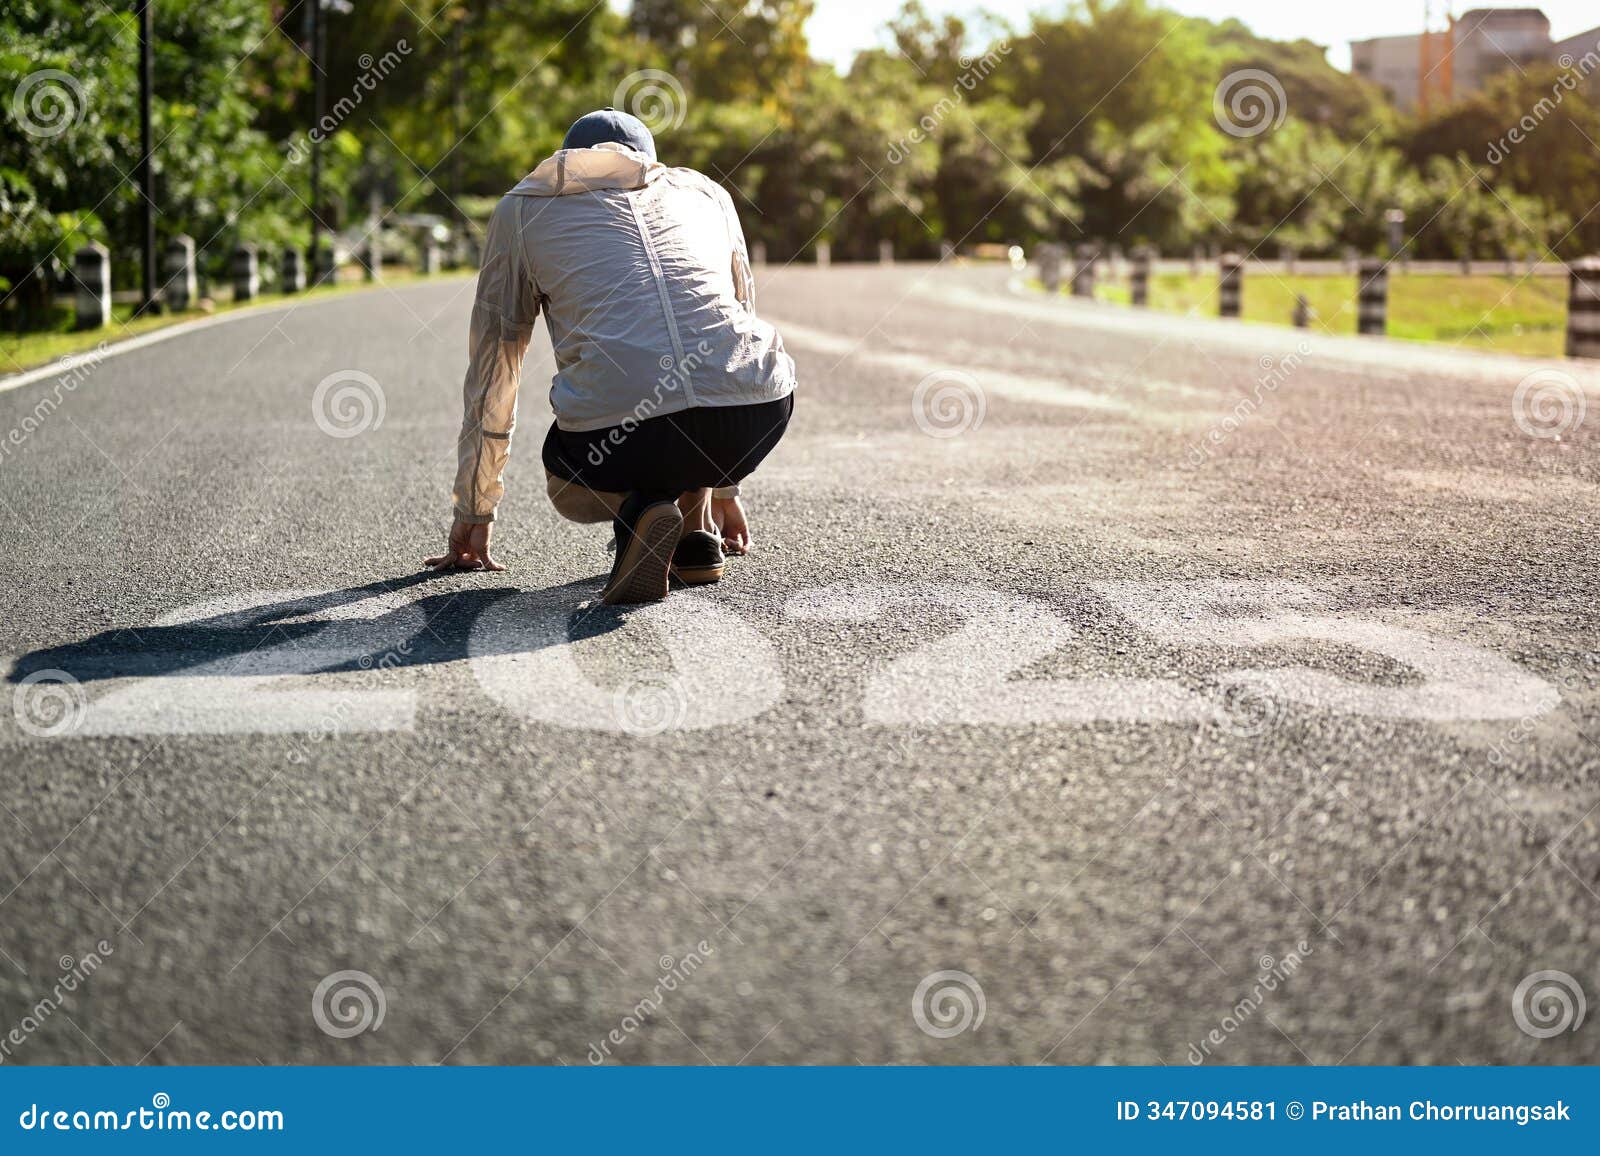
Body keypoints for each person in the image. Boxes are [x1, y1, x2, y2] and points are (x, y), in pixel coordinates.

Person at [424, 107, 796, 603]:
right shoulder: (708, 194)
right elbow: (734, 322)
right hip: (756, 416)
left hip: (624, 436)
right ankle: (691, 535)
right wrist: (726, 483)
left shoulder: (524, 209)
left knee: (566, 482)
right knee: (695, 382)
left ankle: (639, 511)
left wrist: (474, 509)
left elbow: (496, 366)